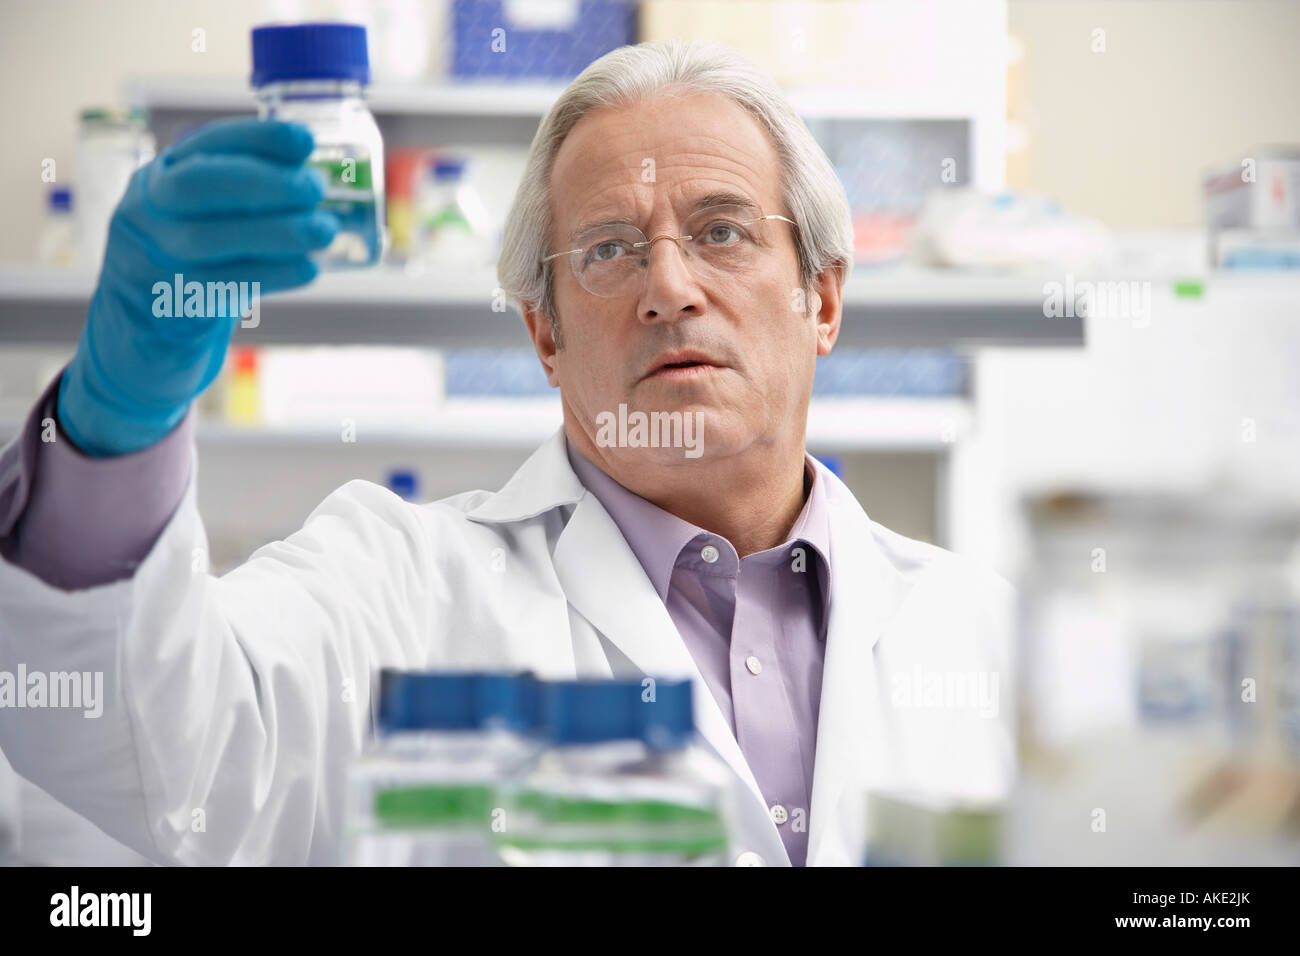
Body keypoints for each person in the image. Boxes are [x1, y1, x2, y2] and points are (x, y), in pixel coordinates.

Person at [0, 40, 1012, 867]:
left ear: (820, 299)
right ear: (545, 336)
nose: (669, 287)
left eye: (722, 231)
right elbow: (155, 750)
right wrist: (113, 421)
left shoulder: (983, 635)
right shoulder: (395, 588)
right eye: (609, 249)